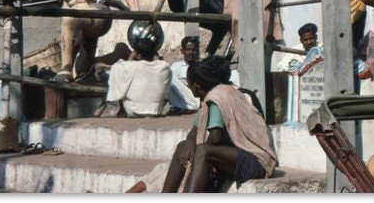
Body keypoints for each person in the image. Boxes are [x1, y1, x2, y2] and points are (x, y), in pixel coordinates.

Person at [161, 56, 277, 193]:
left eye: (189, 83)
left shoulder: (217, 97)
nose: (187, 86)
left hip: (258, 162)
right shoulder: (215, 96)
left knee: (203, 151)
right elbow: (195, 130)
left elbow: (215, 137)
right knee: (183, 146)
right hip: (239, 156)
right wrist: (189, 143)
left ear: (196, 86)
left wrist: (196, 155)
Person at [102, 20, 171, 117]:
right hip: (156, 110)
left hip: (133, 110)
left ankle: (121, 112)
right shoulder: (165, 67)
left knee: (122, 82)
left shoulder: (128, 67)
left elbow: (115, 68)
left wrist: (132, 56)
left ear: (138, 55)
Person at [167, 35, 200, 114]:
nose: (191, 53)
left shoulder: (201, 66)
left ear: (197, 51)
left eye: (193, 50)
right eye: (188, 50)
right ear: (182, 51)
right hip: (182, 100)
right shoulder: (176, 67)